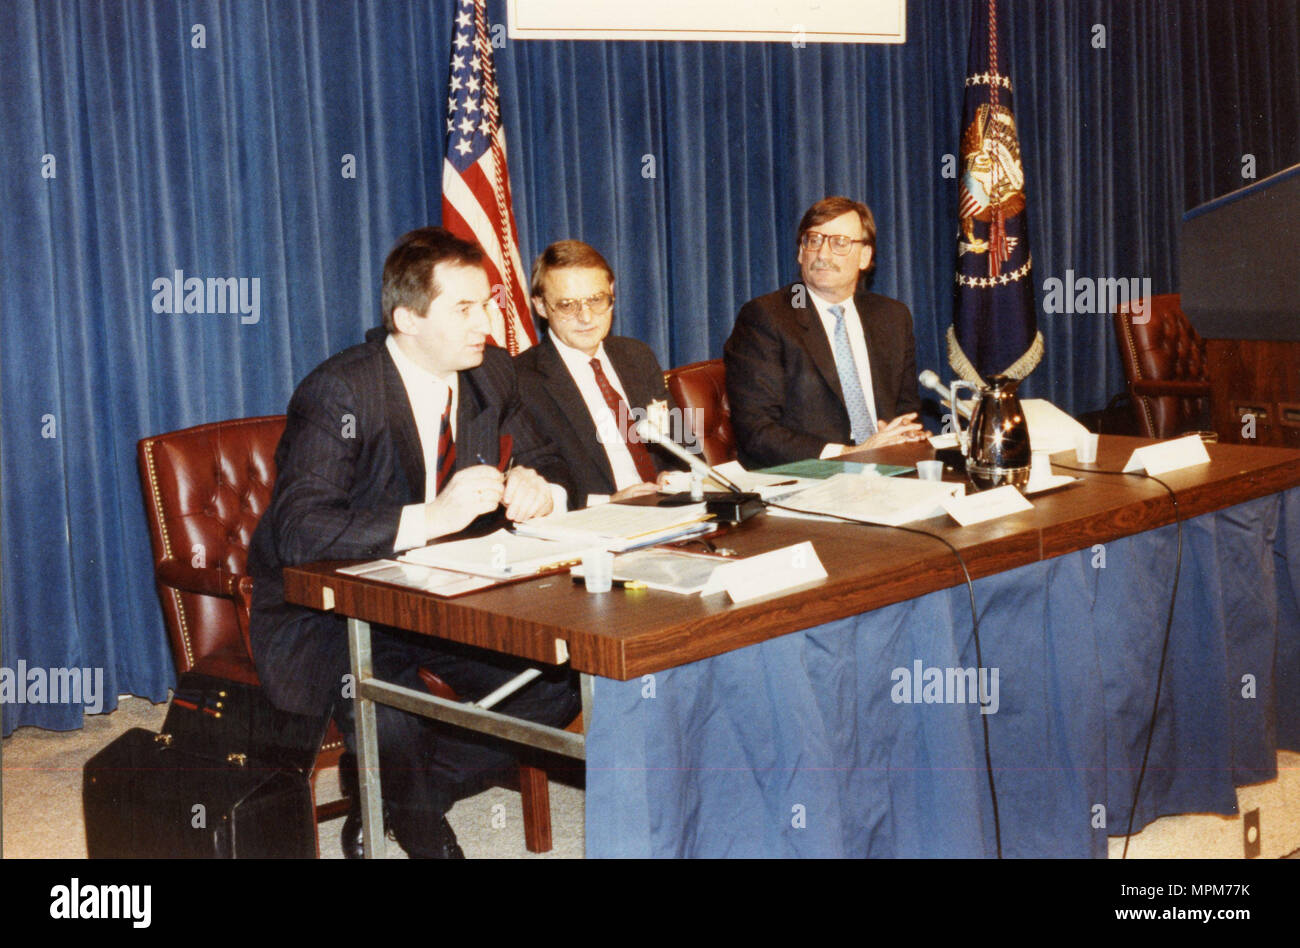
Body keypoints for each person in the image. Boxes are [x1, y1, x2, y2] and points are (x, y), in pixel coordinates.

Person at [247, 227, 580, 858]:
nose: (488, 321)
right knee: (389, 707)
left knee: (558, 678)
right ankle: (425, 830)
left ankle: (405, 795)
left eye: (488, 303)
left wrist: (539, 487)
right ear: (406, 319)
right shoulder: (341, 392)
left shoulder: (492, 373)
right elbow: (299, 531)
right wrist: (432, 516)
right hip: (333, 608)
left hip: (445, 595)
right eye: (465, 308)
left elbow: (548, 464)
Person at [723, 196, 927, 469]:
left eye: (839, 243)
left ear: (865, 256)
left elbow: (906, 409)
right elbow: (757, 432)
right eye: (813, 240)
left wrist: (904, 433)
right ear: (800, 252)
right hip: (807, 477)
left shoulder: (891, 316)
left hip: (887, 469)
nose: (822, 254)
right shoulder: (766, 317)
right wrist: (849, 454)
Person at [514, 240, 684, 508]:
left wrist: (674, 478)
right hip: (595, 526)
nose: (586, 317)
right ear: (541, 306)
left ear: (612, 293)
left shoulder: (637, 356)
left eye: (596, 300)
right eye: (568, 305)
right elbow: (542, 485)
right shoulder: (521, 380)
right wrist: (609, 502)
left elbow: (682, 447)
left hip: (668, 512)